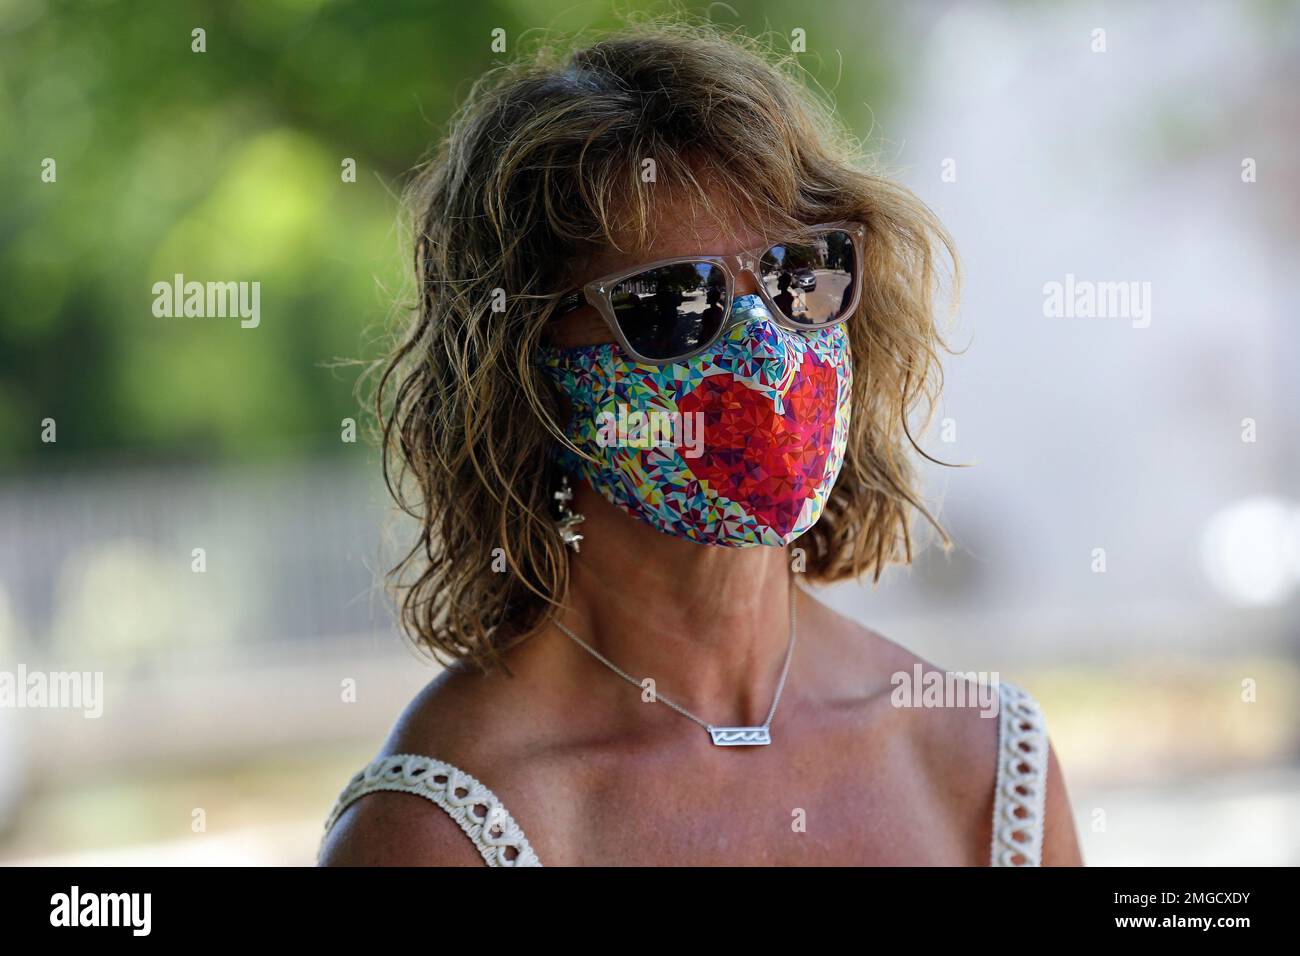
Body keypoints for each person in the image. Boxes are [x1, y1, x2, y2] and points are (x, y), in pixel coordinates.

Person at [319, 20, 1082, 867]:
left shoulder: (981, 765)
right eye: (673, 302)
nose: (768, 348)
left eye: (801, 273)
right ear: (524, 375)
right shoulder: (444, 829)